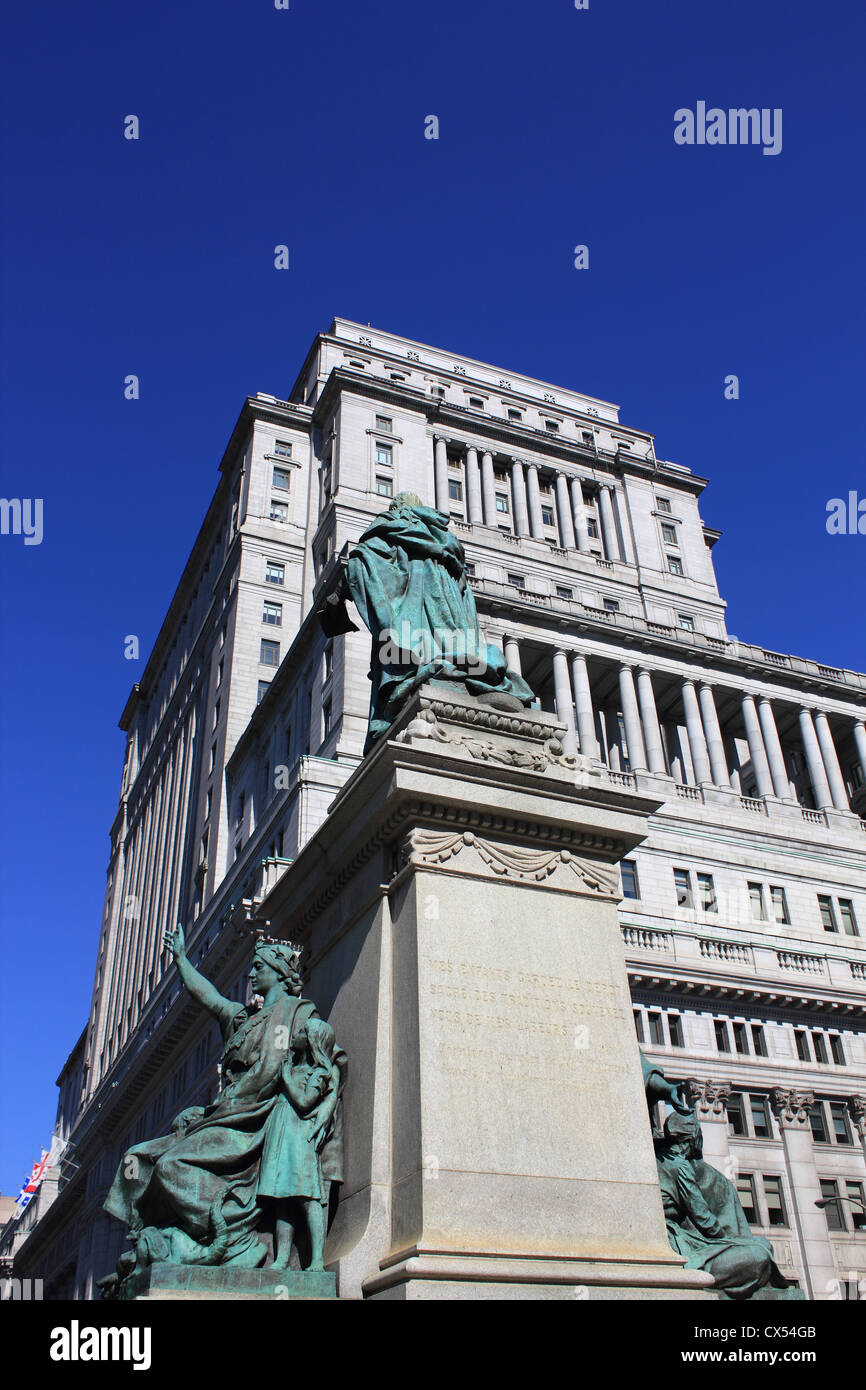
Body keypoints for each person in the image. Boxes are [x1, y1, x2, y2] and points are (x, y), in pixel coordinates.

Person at [101, 928, 324, 1285]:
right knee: (136, 1157)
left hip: (251, 1119)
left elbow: (269, 1072)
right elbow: (210, 997)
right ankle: (164, 1240)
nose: (251, 975)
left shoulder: (290, 1013)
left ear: (279, 974)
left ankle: (235, 1238)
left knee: (172, 1165)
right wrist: (182, 961)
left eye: (258, 968)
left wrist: (218, 1110)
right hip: (224, 1116)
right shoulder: (242, 1019)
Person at [319, 492, 533, 751]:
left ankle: (428, 679)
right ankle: (465, 674)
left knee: (409, 654)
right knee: (454, 652)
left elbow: (363, 562)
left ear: (397, 508)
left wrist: (338, 594)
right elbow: (463, 588)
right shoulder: (446, 539)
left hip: (416, 619)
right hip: (450, 617)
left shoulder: (391, 529)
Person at [654, 1112, 793, 1300]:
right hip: (674, 1244)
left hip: (673, 1239)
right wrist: (730, 1240)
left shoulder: (660, 1160)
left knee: (761, 1245)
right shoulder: (679, 1166)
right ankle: (701, 1276)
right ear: (692, 1139)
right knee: (758, 1254)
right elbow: (703, 1217)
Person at [260, 1017, 347, 1270]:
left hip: (301, 1138)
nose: (295, 1034)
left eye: (301, 1032)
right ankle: (282, 1258)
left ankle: (317, 1258)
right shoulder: (293, 1067)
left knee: (308, 1198)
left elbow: (305, 1101)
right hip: (281, 1135)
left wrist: (286, 1077)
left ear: (311, 1041)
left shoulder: (319, 1072)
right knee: (282, 1199)